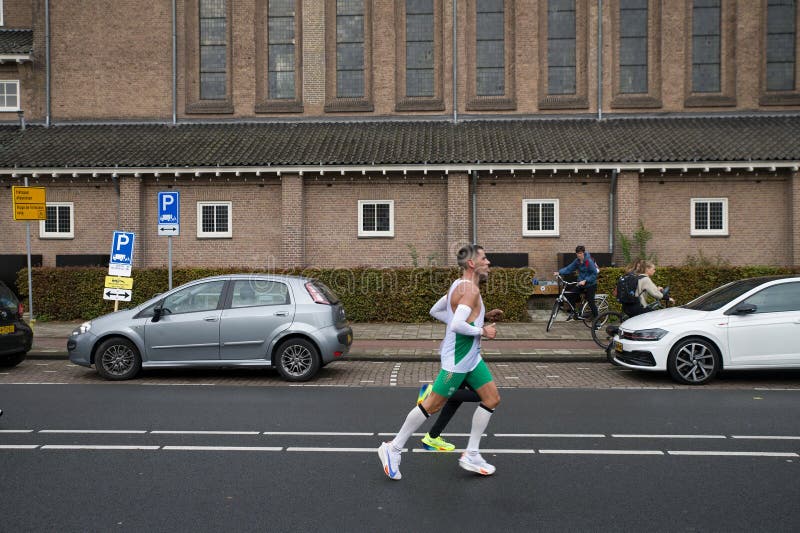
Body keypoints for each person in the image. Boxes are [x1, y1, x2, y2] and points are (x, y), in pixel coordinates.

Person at [378, 244, 501, 479]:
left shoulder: (458, 285)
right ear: (472, 264)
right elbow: (456, 324)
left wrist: (481, 319)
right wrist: (483, 330)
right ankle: (393, 448)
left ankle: (472, 453)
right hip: (457, 361)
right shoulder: (470, 291)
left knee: (492, 398)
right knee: (432, 405)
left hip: (471, 358)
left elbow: (436, 310)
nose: (489, 263)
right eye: (484, 258)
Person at [417, 304, 503, 452]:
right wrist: (483, 331)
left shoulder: (468, 292)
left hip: (463, 356)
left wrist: (485, 316)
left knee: (455, 400)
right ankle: (433, 392)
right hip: (460, 357)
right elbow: (457, 323)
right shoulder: (465, 291)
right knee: (483, 395)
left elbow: (463, 321)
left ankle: (432, 436)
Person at [553, 245, 599, 321]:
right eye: (577, 253)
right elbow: (569, 268)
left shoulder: (588, 261)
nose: (579, 255)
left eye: (580, 253)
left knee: (591, 302)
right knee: (571, 295)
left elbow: (594, 274)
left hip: (590, 284)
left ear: (583, 253)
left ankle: (597, 321)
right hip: (581, 283)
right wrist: (559, 272)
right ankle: (574, 313)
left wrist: (586, 280)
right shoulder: (577, 261)